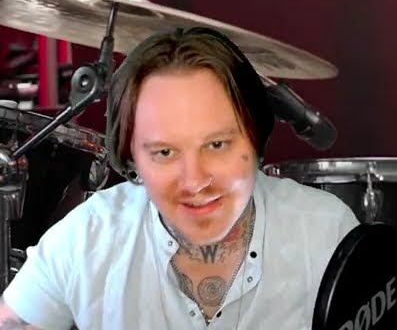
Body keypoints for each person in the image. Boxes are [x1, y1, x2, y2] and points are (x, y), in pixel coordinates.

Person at [0, 27, 359, 329]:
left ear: (255, 138)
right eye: (165, 153)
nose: (195, 180)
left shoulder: (326, 233)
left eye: (216, 145)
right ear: (131, 159)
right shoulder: (85, 239)